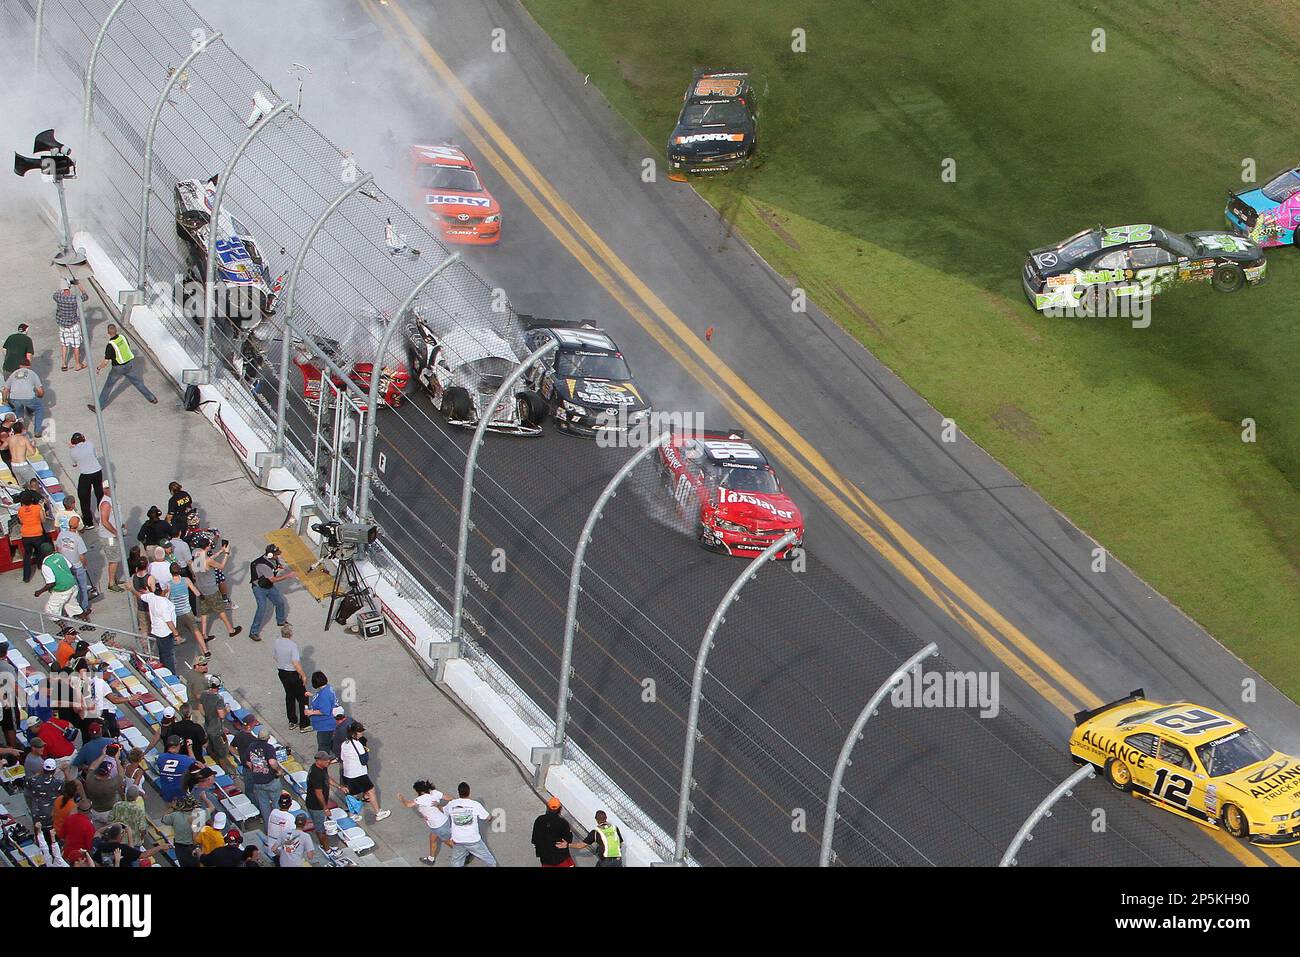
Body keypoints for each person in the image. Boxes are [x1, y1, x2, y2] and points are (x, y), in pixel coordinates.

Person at [92, 323, 157, 411]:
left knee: (108, 386)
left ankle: (99, 407)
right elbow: (127, 347)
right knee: (138, 382)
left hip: (118, 368)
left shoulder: (110, 345)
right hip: (129, 364)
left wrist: (99, 368)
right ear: (116, 331)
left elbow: (105, 362)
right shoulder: (122, 337)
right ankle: (152, 398)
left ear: (108, 333)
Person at [339, 720, 390, 822]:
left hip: (348, 773)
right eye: (360, 731)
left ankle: (352, 814)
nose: (362, 733)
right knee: (371, 790)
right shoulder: (358, 744)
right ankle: (378, 812)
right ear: (354, 733)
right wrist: (366, 752)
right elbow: (364, 760)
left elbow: (342, 758)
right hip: (359, 773)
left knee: (352, 794)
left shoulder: (345, 743)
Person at [192, 540, 240, 639]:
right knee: (221, 610)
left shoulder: (197, 556)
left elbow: (209, 559)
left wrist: (220, 551)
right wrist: (226, 553)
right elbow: (221, 566)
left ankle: (204, 635)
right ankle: (231, 630)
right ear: (207, 547)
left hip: (201, 588)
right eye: (210, 545)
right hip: (211, 589)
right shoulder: (208, 560)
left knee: (204, 612)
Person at [399, 780, 452, 865]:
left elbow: (408, 804)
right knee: (432, 839)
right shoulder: (434, 792)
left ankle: (465, 853)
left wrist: (402, 798)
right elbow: (449, 797)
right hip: (437, 824)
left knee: (448, 842)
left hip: (440, 825)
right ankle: (431, 859)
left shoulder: (423, 798)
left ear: (421, 791)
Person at [444, 782, 496, 867]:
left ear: (458, 792)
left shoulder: (452, 804)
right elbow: (487, 817)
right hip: (473, 840)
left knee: (456, 863)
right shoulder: (475, 804)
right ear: (469, 791)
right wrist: (491, 818)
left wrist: (436, 806)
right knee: (490, 862)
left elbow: (444, 811)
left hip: (458, 839)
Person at [239, 726, 284, 824]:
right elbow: (272, 762)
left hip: (257, 781)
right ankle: (278, 825)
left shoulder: (251, 746)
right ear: (268, 738)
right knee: (276, 803)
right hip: (270, 781)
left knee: (264, 805)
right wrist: (278, 770)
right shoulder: (269, 747)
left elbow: (248, 763)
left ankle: (268, 827)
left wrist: (255, 770)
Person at [249, 544, 293, 642]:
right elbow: (273, 579)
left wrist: (279, 566)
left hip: (268, 585)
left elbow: (275, 566)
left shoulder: (274, 559)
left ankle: (281, 621)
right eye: (276, 554)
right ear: (269, 555)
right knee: (261, 609)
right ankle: (253, 632)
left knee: (280, 603)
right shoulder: (263, 565)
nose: (277, 555)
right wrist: (287, 575)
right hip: (259, 588)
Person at [35, 547, 89, 624]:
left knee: (51, 610)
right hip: (72, 585)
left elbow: (51, 583)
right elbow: (71, 567)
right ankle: (88, 624)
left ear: (42, 554)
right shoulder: (59, 556)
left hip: (62, 591)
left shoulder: (46, 565)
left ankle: (64, 630)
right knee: (73, 606)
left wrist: (39, 592)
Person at [273, 624, 310, 732]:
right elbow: (295, 663)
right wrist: (303, 675)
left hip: (282, 673)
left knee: (290, 696)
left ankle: (292, 721)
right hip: (292, 674)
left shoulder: (277, 642)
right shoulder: (292, 645)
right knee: (303, 698)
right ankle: (304, 724)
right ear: (291, 634)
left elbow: (275, 656)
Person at [305, 750, 344, 852]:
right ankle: (327, 850)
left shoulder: (322, 768)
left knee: (321, 827)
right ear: (319, 761)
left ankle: (325, 845)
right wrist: (325, 808)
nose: (328, 762)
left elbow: (327, 778)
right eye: (326, 760)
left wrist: (339, 787)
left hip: (318, 805)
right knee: (321, 829)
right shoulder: (316, 774)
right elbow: (318, 793)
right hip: (316, 806)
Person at [55, 517, 95, 612]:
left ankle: (72, 608)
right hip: (77, 567)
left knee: (71, 588)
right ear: (77, 526)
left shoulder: (61, 534)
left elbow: (58, 548)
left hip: (65, 567)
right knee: (82, 587)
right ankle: (84, 608)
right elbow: (81, 556)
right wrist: (85, 564)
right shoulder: (78, 538)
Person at [142, 579, 181, 674]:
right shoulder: (164, 603)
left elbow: (141, 596)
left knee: (162, 654)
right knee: (168, 656)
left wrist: (131, 589)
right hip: (165, 632)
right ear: (165, 590)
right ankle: (171, 674)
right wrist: (176, 634)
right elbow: (168, 621)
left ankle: (164, 671)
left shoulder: (152, 597)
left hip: (157, 631)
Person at [168, 563, 206, 656]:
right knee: (196, 631)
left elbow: (167, 598)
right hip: (187, 611)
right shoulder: (186, 580)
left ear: (170, 572)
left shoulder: (168, 584)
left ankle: (177, 642)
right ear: (180, 570)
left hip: (176, 614)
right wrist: (201, 596)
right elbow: (196, 593)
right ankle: (205, 651)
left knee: (173, 632)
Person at [66, 433, 104, 528]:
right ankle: (104, 518)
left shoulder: (73, 451)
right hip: (97, 472)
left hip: (86, 475)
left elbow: (74, 464)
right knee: (99, 494)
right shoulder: (90, 444)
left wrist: (72, 448)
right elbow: (94, 455)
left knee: (84, 498)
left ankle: (88, 522)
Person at [53, 279, 87, 371]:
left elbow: (56, 293)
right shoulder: (74, 299)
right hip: (73, 325)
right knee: (76, 346)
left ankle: (64, 364)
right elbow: (85, 296)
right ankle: (77, 364)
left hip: (62, 325)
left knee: (64, 344)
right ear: (69, 289)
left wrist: (62, 287)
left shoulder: (58, 297)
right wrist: (78, 284)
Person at [531, 796, 575, 867]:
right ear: (560, 809)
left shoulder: (539, 820)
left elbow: (534, 840)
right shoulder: (563, 823)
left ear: (547, 808)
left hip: (545, 859)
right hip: (561, 858)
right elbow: (568, 840)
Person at [17, 488, 49, 584]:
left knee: (27, 555)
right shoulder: (37, 508)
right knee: (40, 552)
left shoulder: (20, 510)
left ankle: (26, 577)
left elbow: (21, 521)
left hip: (26, 535)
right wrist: (42, 509)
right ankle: (41, 567)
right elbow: (43, 520)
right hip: (37, 534)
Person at [4, 365, 46, 437]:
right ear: (29, 366)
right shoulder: (32, 373)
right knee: (39, 409)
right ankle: (37, 432)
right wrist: (39, 396)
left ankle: (19, 431)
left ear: (20, 366)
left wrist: (6, 401)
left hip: (14, 398)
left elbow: (5, 389)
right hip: (28, 398)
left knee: (19, 411)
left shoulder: (14, 373)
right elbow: (40, 390)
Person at [82, 755, 124, 824]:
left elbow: (92, 766)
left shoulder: (90, 778)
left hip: (94, 811)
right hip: (108, 813)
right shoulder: (111, 784)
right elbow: (121, 774)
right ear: (108, 773)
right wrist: (116, 759)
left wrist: (103, 755)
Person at [303, 672, 339, 754]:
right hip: (331, 722)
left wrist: (310, 712)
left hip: (325, 725)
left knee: (323, 745)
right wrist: (313, 695)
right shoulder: (328, 688)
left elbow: (324, 711)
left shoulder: (324, 695)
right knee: (330, 741)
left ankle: (323, 761)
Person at [162, 795, 202, 867]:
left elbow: (163, 819)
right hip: (192, 847)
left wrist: (172, 807)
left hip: (179, 848)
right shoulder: (197, 817)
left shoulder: (175, 815)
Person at [155, 735, 197, 802]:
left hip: (166, 791)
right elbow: (195, 765)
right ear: (178, 746)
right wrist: (189, 749)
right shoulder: (185, 759)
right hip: (179, 794)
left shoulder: (160, 757)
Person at [98, 484, 124, 591]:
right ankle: (111, 583)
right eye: (109, 488)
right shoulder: (106, 503)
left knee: (115, 557)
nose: (112, 489)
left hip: (113, 534)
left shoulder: (111, 499)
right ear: (105, 490)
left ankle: (115, 578)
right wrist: (115, 532)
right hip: (109, 537)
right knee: (113, 559)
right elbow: (104, 521)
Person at [25, 757, 63, 829]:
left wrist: (38, 774)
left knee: (39, 833)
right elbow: (69, 789)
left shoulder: (33, 780)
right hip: (51, 815)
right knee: (51, 835)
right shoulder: (58, 783)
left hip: (36, 813)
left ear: (43, 769)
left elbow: (26, 783)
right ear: (54, 770)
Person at [199, 674, 229, 763]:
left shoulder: (204, 693)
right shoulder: (218, 698)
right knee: (221, 750)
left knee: (210, 745)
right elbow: (222, 715)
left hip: (207, 725)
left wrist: (207, 716)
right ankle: (223, 765)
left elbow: (200, 707)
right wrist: (226, 710)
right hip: (216, 729)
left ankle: (211, 756)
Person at [265, 792, 296, 863]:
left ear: (279, 804)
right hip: (281, 851)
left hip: (271, 846)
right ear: (290, 805)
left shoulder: (273, 812)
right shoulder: (290, 818)